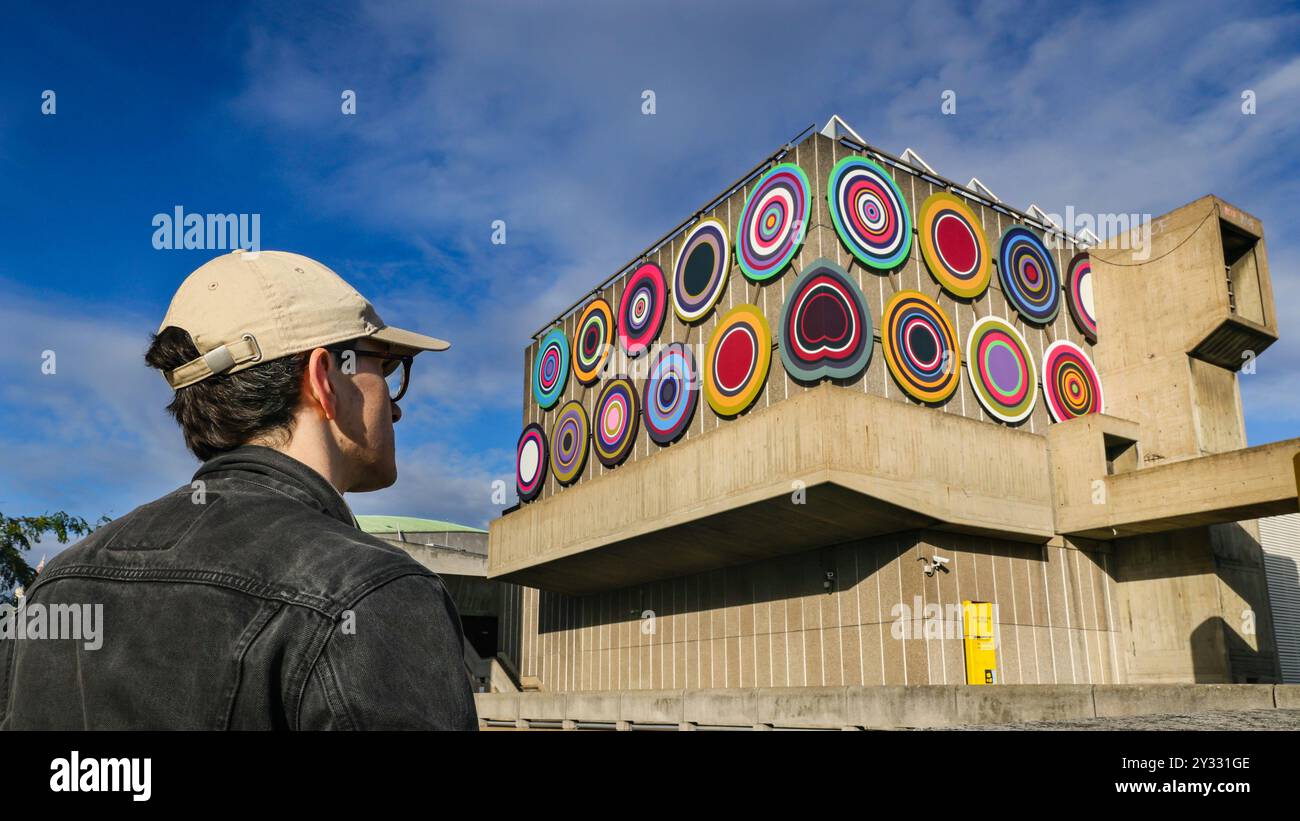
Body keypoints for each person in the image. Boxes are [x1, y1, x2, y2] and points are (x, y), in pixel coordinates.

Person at [0, 249, 478, 730]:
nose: (396, 409)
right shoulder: (373, 592)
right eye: (388, 367)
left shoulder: (56, 584)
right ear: (323, 379)